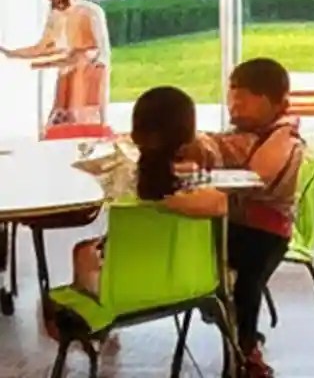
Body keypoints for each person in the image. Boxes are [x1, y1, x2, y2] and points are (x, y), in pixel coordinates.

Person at [187, 58, 303, 378]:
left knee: (248, 274)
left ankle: (247, 347)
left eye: (244, 99)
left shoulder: (285, 138)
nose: (234, 106)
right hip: (232, 226)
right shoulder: (245, 134)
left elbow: (259, 176)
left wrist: (196, 176)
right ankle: (216, 302)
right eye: (231, 97)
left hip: (266, 231)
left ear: (276, 102)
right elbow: (217, 149)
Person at [71, 86, 227, 299]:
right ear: (189, 137)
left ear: (135, 135)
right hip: (190, 279)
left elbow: (82, 167)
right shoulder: (200, 187)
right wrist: (169, 202)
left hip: (121, 286)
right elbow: (220, 204)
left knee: (83, 251)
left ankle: (96, 325)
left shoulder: (117, 180)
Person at [0, 0, 111, 127]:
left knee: (82, 121)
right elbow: (44, 47)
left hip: (86, 75)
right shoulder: (56, 14)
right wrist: (11, 53)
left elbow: (98, 52)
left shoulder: (89, 11)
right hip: (67, 74)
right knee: (61, 123)